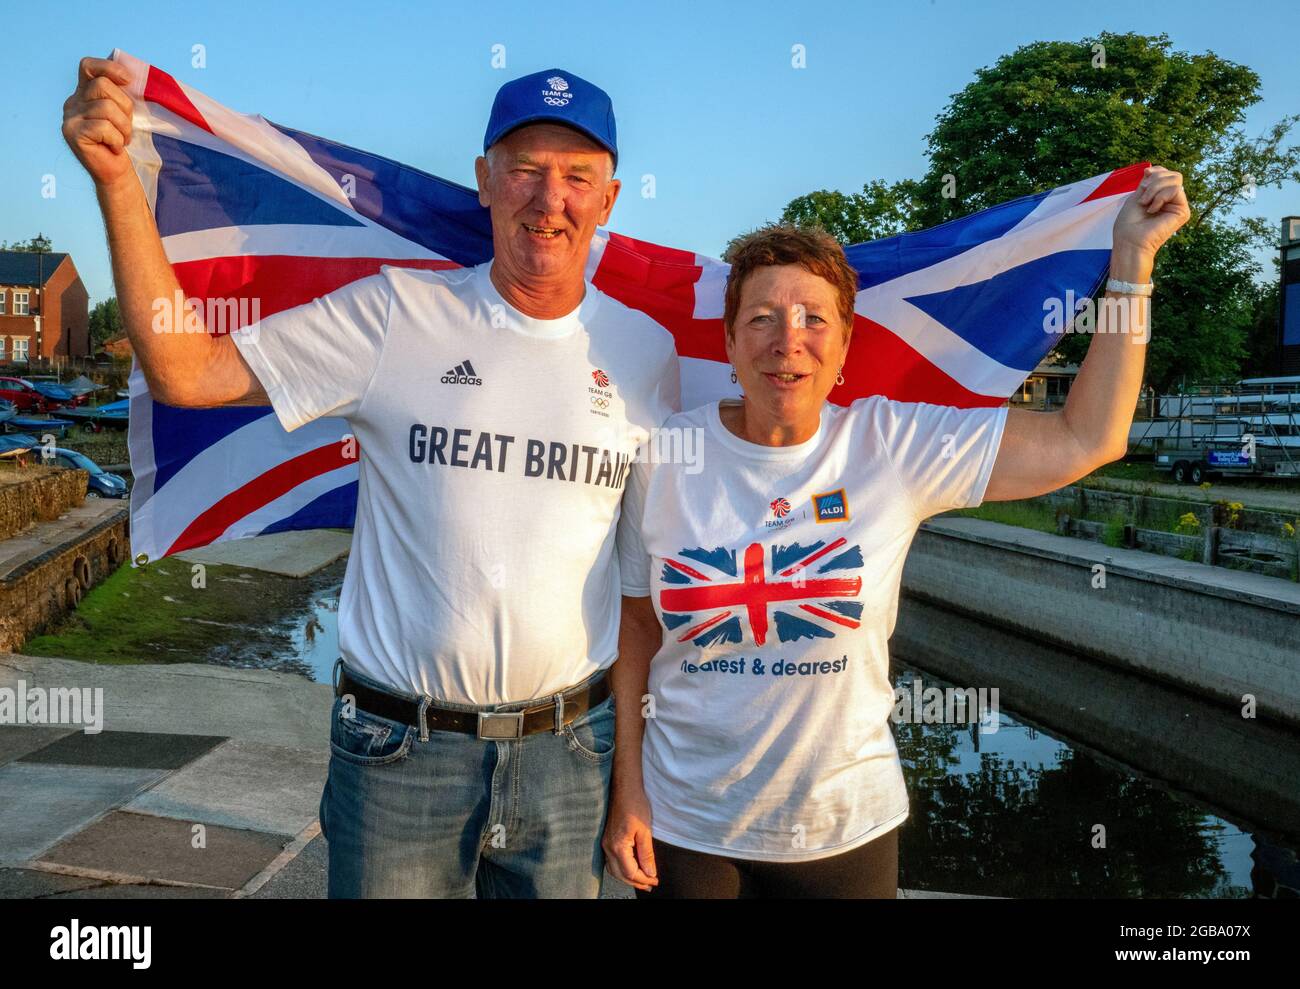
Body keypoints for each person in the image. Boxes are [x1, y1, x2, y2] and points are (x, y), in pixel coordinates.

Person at [63, 58, 680, 898]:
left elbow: (639, 601)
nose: (550, 198)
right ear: (485, 181)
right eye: (526, 170)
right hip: (399, 756)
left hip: (570, 756)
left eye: (577, 176)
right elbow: (189, 370)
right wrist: (116, 184)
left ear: (609, 198)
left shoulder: (647, 355)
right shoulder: (399, 315)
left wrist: (632, 786)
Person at [604, 168, 1188, 898]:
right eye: (762, 318)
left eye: (814, 319)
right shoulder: (663, 456)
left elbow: (1088, 437)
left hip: (845, 826)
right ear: (727, 342)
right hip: (687, 825)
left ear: (846, 346)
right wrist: (627, 788)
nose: (789, 340)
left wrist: (1131, 267)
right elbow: (634, 628)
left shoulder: (892, 445)